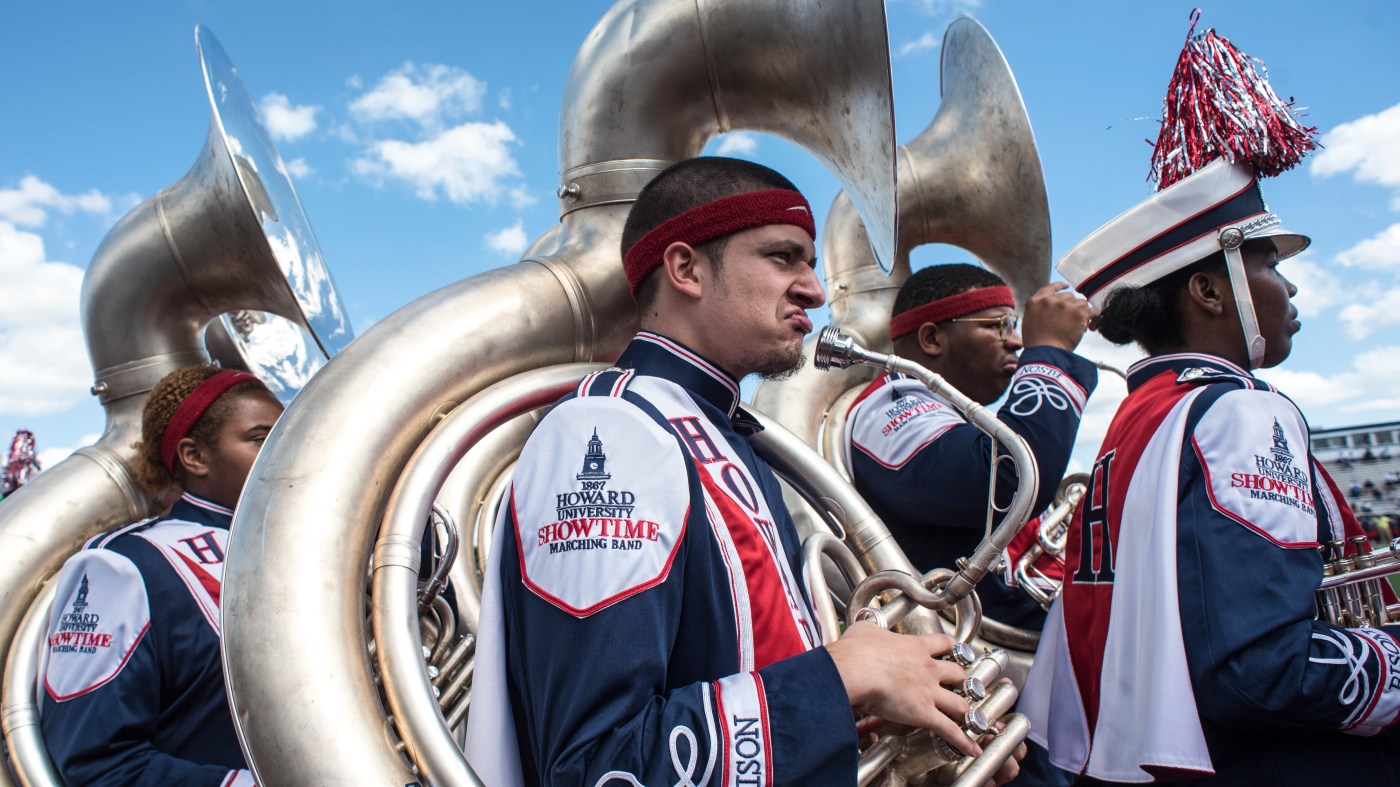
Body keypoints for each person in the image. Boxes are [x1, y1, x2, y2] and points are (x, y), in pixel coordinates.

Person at [465, 157, 1023, 786]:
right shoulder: (611, 433)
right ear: (685, 269)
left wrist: (904, 716)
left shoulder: (725, 433)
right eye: (784, 257)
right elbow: (601, 765)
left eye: (811, 263)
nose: (814, 290)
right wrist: (844, 675)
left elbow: (743, 668)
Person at [1021, 156, 1400, 783]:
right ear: (1209, 291)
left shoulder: (1147, 409)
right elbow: (1263, 670)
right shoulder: (1240, 412)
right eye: (1272, 264)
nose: (1291, 287)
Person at [40, 365, 282, 786]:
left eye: (288, 434)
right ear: (195, 456)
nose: (287, 450)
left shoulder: (308, 546)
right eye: (261, 439)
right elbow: (99, 764)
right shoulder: (122, 566)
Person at [843, 264, 1098, 632]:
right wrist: (1050, 352)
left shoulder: (949, 417)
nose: (1016, 341)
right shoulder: (888, 403)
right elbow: (1012, 479)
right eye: (999, 325)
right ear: (932, 339)